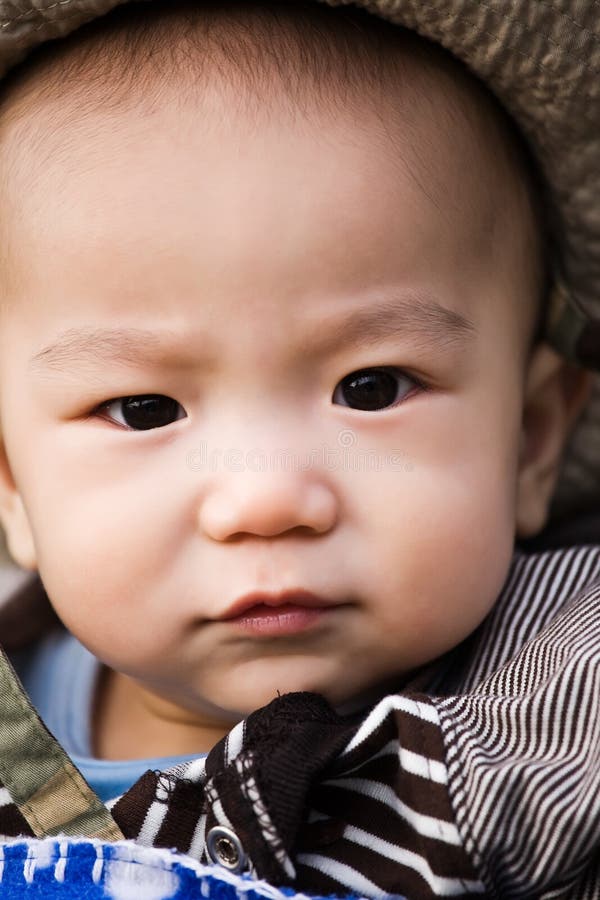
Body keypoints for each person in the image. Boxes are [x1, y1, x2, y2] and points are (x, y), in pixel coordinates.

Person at [0, 0, 597, 896]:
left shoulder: (548, 722)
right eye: (144, 407)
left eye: (373, 388)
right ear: (11, 484)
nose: (265, 500)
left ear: (530, 440)